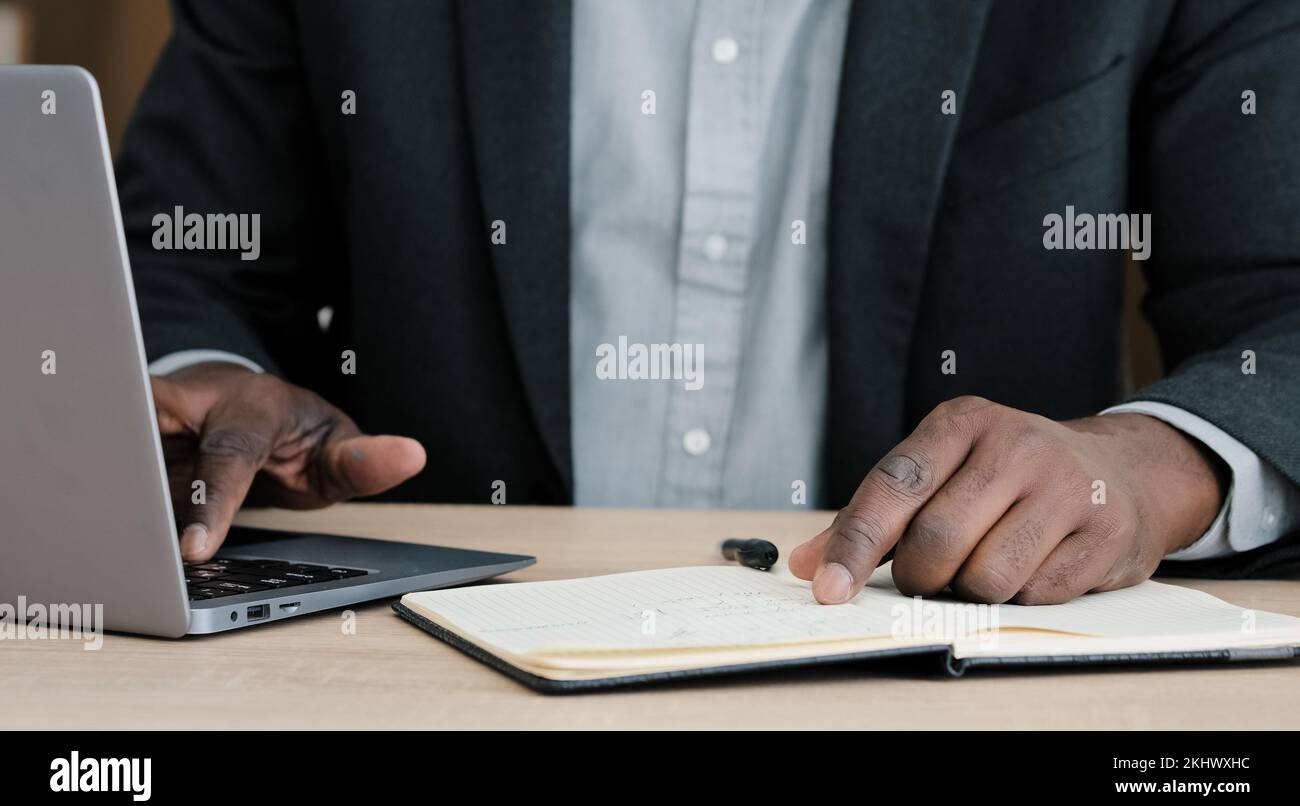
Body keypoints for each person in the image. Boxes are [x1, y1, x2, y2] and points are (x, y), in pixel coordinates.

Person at [118, 0, 1300, 606]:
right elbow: (176, 259)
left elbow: (1284, 315)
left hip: (953, 679)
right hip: (417, 682)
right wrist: (195, 386)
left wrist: (1152, 464)